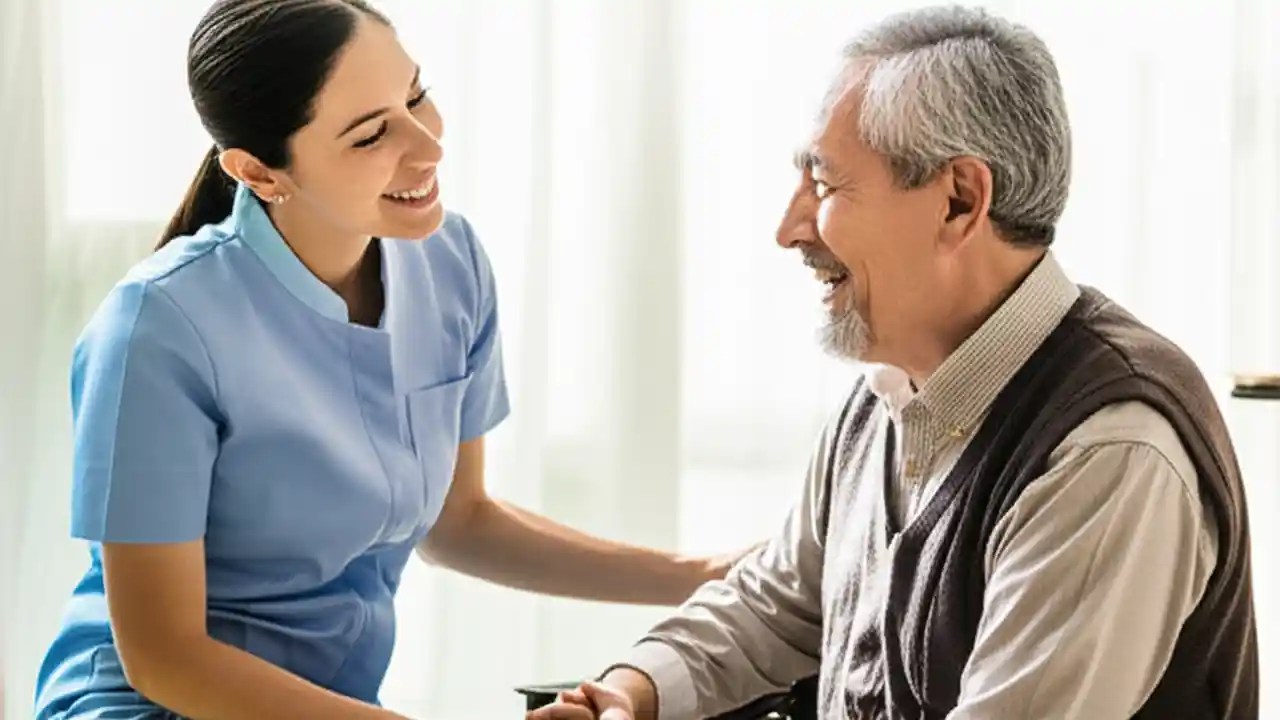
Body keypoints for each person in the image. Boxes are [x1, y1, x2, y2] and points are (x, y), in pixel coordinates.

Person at [530, 5, 1258, 720]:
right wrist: (624, 695)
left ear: (959, 202)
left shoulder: (1110, 450)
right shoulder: (891, 395)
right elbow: (777, 605)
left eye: (823, 184)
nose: (789, 230)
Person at [30, 2, 753, 718]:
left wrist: (713, 579)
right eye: (373, 133)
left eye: (415, 95)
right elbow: (165, 658)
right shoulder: (158, 327)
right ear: (259, 172)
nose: (428, 145)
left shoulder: (450, 262)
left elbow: (459, 520)